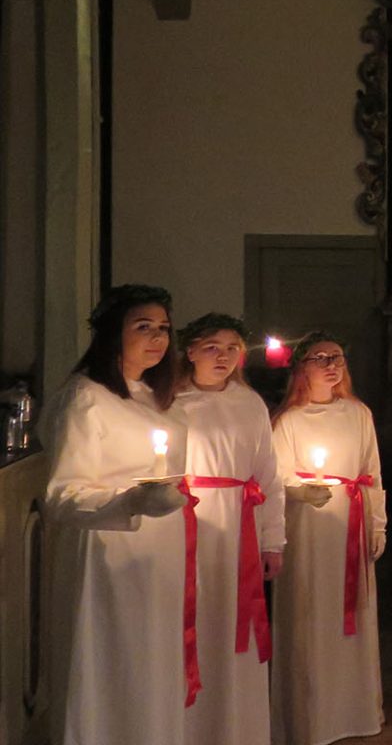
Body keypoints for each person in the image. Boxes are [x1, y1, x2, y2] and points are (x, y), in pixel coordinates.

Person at [44, 284, 193, 745]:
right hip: (108, 555)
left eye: (164, 328)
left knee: (153, 664)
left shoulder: (152, 397)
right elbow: (63, 494)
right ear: (113, 333)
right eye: (143, 326)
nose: (157, 338)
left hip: (158, 555)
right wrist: (131, 502)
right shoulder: (86, 398)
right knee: (113, 666)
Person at [270, 333, 386, 745]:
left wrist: (378, 524)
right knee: (311, 616)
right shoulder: (289, 421)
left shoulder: (358, 414)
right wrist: (298, 491)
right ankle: (312, 716)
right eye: (319, 358)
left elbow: (371, 472)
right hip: (309, 532)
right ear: (302, 368)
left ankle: (354, 710)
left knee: (350, 617)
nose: (330, 364)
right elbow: (277, 476)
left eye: (336, 356)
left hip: (350, 528)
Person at [177, 313, 286, 745]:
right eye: (211, 347)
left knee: (234, 631)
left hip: (242, 527)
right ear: (190, 351)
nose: (222, 357)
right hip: (191, 527)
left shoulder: (250, 403)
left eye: (231, 348)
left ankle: (238, 730)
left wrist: (273, 541)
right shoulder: (170, 401)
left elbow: (270, 475)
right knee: (196, 623)